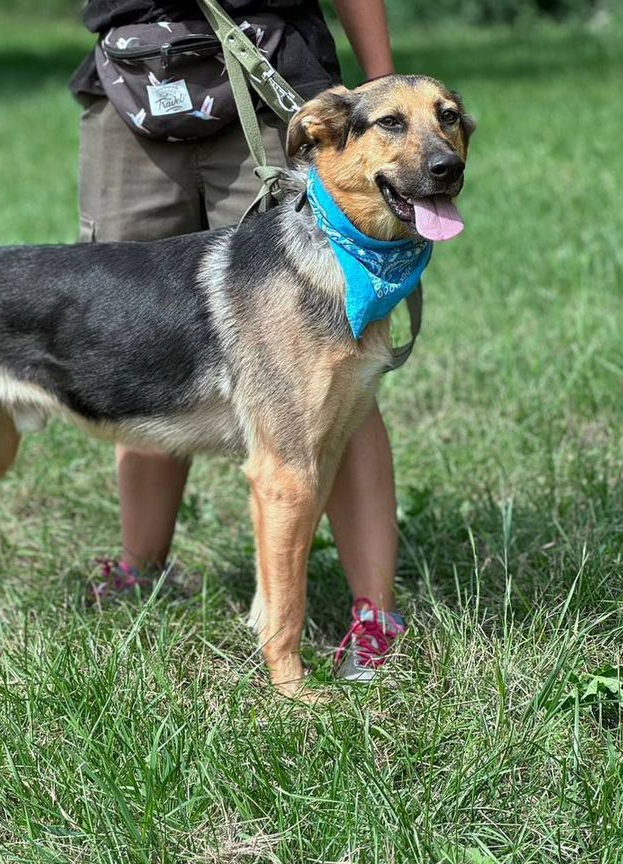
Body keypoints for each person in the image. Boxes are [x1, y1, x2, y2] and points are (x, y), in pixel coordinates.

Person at [70, 0, 405, 681]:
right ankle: (144, 570)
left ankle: (375, 616)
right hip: (131, 85)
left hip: (273, 67)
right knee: (144, 335)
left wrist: (384, 89)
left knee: (334, 358)